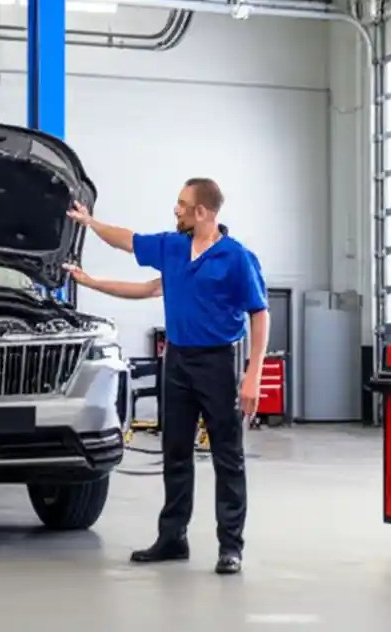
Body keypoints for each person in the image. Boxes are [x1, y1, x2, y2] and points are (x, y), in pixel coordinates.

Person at [64, 177, 269, 575]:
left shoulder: (236, 258)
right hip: (176, 361)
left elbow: (259, 313)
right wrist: (91, 226)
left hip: (217, 364)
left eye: (181, 203)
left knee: (228, 457)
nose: (175, 209)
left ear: (202, 212)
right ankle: (173, 538)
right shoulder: (174, 248)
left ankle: (231, 547)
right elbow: (130, 245)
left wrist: (253, 373)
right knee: (175, 452)